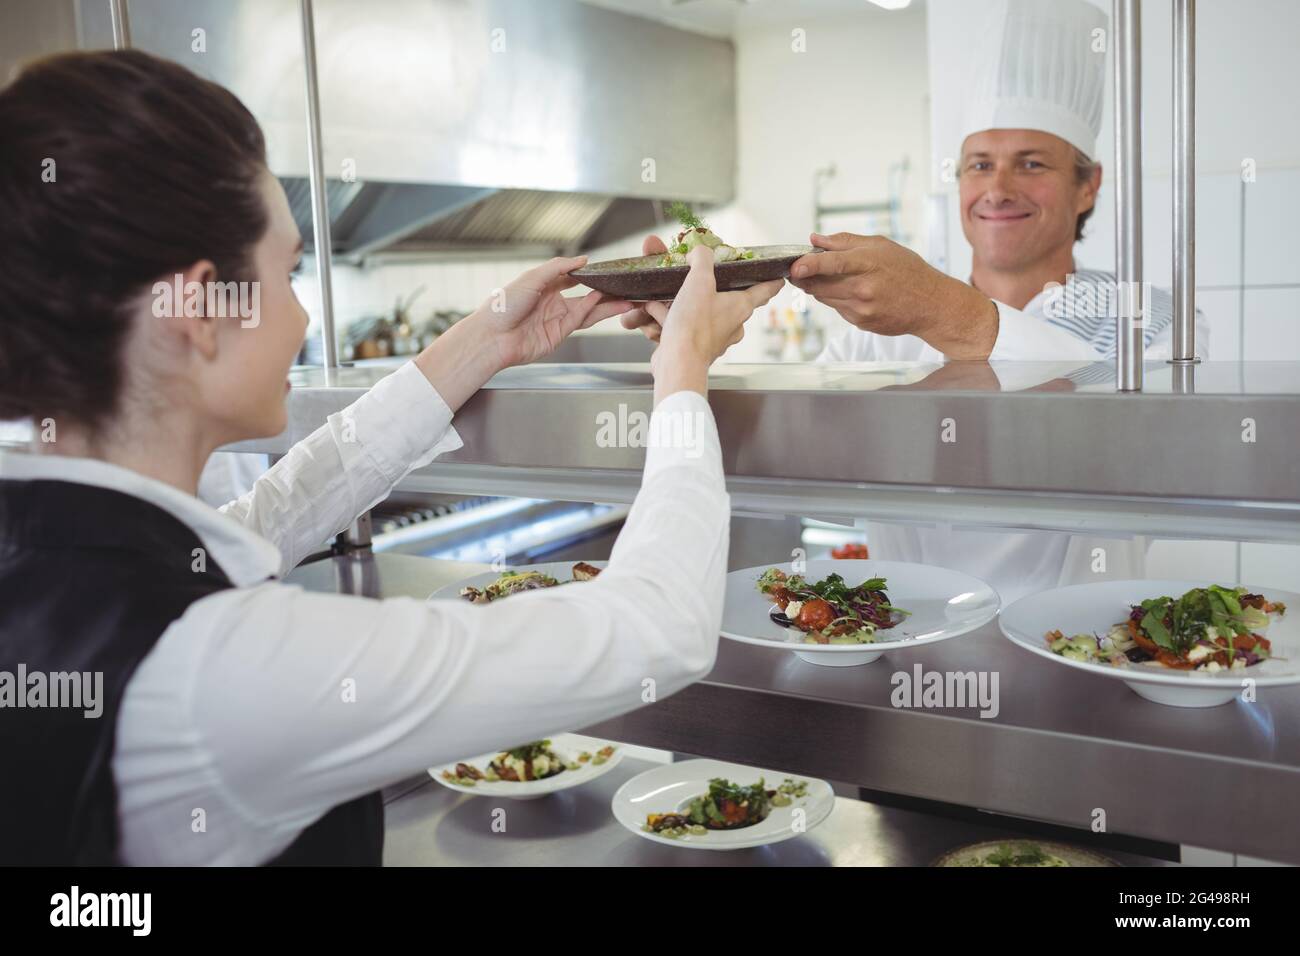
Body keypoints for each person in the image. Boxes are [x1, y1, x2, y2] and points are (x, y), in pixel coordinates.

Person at [0, 49, 781, 865]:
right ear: (199, 309)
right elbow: (656, 631)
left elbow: (262, 520)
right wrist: (683, 369)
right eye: (289, 272)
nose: (302, 319)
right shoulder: (220, 674)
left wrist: (488, 341)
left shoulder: (61, 555)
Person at [623, 0, 1210, 603]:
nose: (998, 189)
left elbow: (1134, 458)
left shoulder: (1154, 322)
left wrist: (940, 309)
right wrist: (693, 348)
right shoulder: (871, 328)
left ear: (1088, 185)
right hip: (904, 642)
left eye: (1030, 164)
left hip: (1086, 647)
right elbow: (801, 468)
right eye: (979, 164)